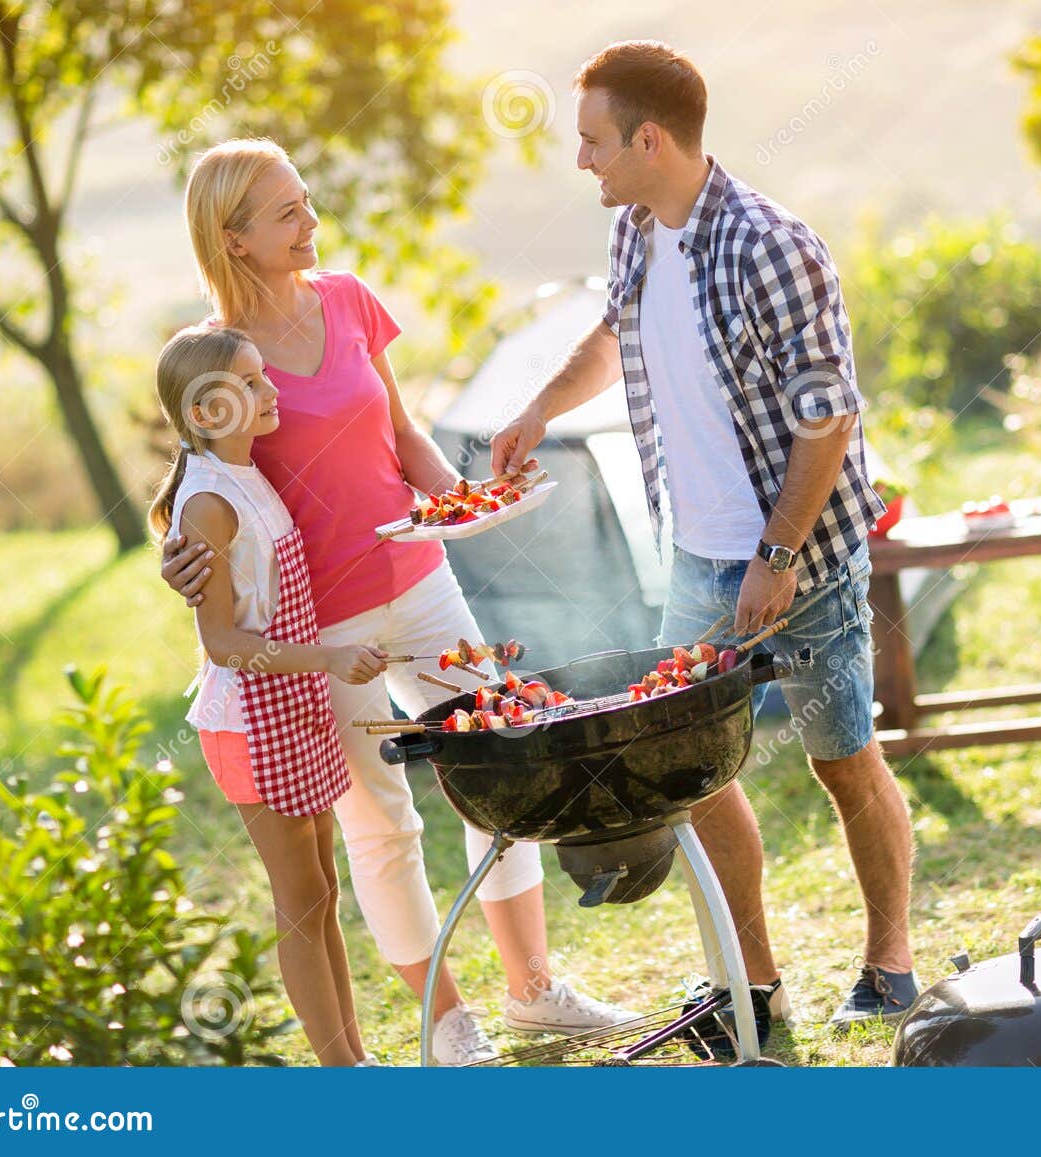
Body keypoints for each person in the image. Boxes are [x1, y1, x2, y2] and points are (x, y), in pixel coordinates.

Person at [158, 139, 633, 1062]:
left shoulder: (347, 300)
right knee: (382, 823)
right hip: (320, 625)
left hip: (422, 582)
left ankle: (534, 989)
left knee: (502, 762)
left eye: (308, 202)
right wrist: (174, 561)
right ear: (234, 237)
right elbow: (201, 492)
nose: (312, 224)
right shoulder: (220, 359)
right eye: (287, 212)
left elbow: (402, 430)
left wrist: (463, 496)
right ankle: (451, 1024)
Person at [492, 41, 921, 1030]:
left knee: (841, 756)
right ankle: (752, 981)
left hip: (800, 556)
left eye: (595, 141)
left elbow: (830, 416)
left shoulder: (772, 244)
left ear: (650, 138)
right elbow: (612, 334)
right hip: (695, 557)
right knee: (691, 770)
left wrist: (776, 553)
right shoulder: (638, 231)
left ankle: (889, 960)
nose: (582, 161)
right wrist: (536, 412)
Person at [150, 324, 382, 1066]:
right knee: (302, 901)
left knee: (323, 889)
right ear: (208, 412)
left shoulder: (247, 474)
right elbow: (222, 643)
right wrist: (330, 656)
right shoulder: (209, 504)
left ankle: (357, 1058)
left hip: (291, 704)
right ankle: (341, 1073)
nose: (270, 390)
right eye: (249, 384)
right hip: (249, 719)